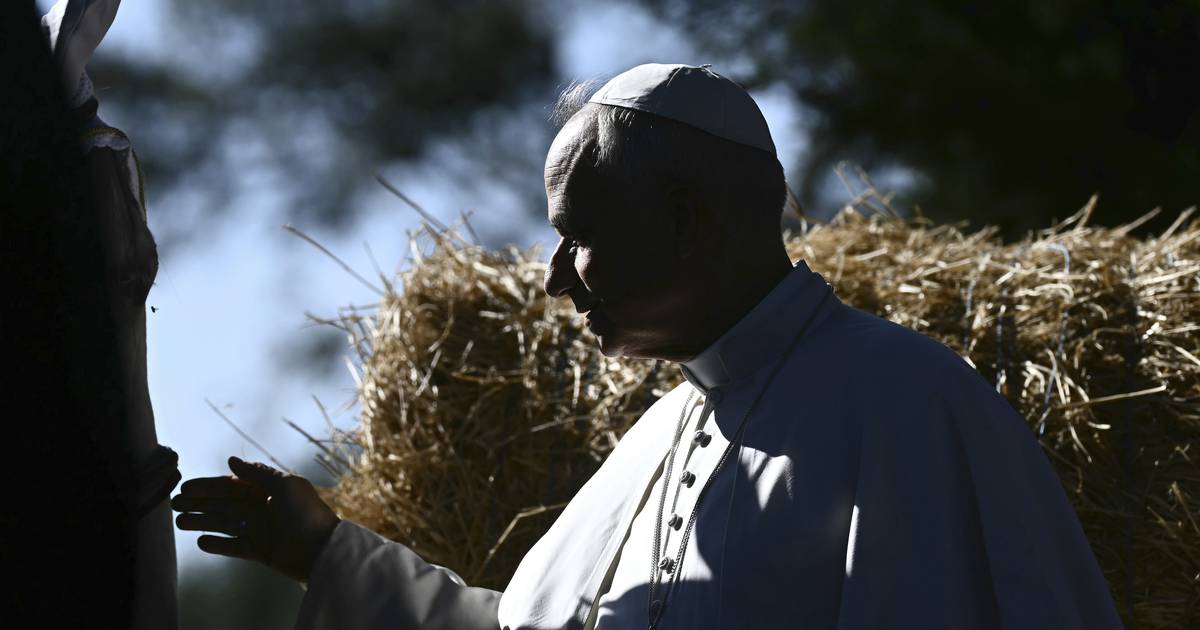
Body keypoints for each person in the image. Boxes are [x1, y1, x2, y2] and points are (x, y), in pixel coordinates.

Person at [172, 63, 1122, 629]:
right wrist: (328, 555)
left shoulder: (910, 408)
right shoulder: (653, 441)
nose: (554, 277)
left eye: (578, 235)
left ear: (691, 220)